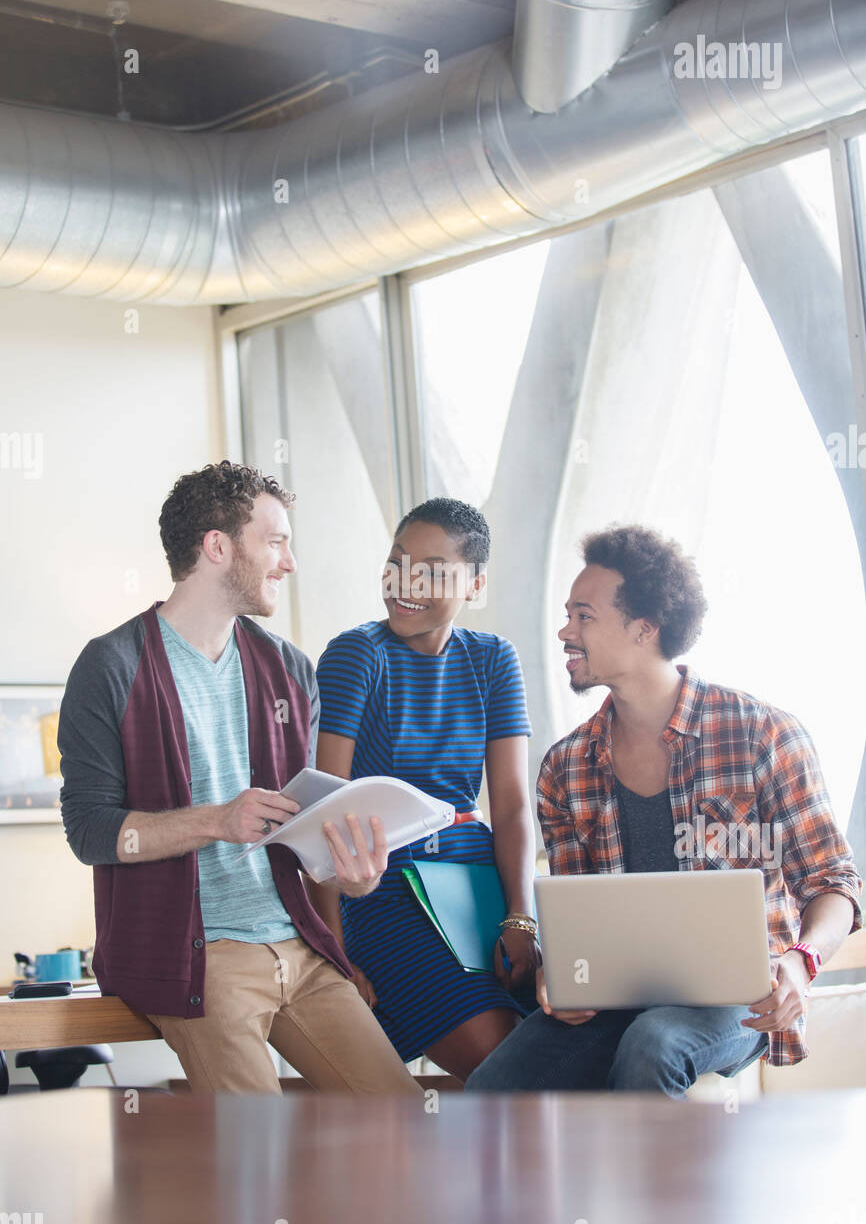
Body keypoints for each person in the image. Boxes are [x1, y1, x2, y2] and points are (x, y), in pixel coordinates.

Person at [58, 460, 419, 1096]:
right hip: (199, 957)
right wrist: (216, 820)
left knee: (402, 1121)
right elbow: (89, 830)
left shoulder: (289, 669)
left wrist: (349, 874)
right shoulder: (111, 665)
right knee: (259, 1154)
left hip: (301, 949)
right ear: (218, 547)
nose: (289, 562)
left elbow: (297, 836)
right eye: (275, 541)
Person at [466, 525, 862, 1095]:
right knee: (492, 1089)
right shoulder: (566, 766)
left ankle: (650, 1190)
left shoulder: (762, 735)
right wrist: (562, 973)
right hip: (618, 997)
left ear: (644, 628)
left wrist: (801, 961)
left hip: (740, 998)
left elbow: (833, 882)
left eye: (584, 616)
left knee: (654, 1044)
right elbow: (580, 915)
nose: (565, 631)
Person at [311, 498, 540, 1083]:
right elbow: (324, 818)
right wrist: (333, 956)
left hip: (476, 887)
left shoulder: (493, 659)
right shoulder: (356, 654)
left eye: (432, 568)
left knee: (558, 1046)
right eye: (397, 562)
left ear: (476, 583)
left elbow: (511, 807)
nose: (406, 583)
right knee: (506, 1066)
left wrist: (521, 917)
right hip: (383, 890)